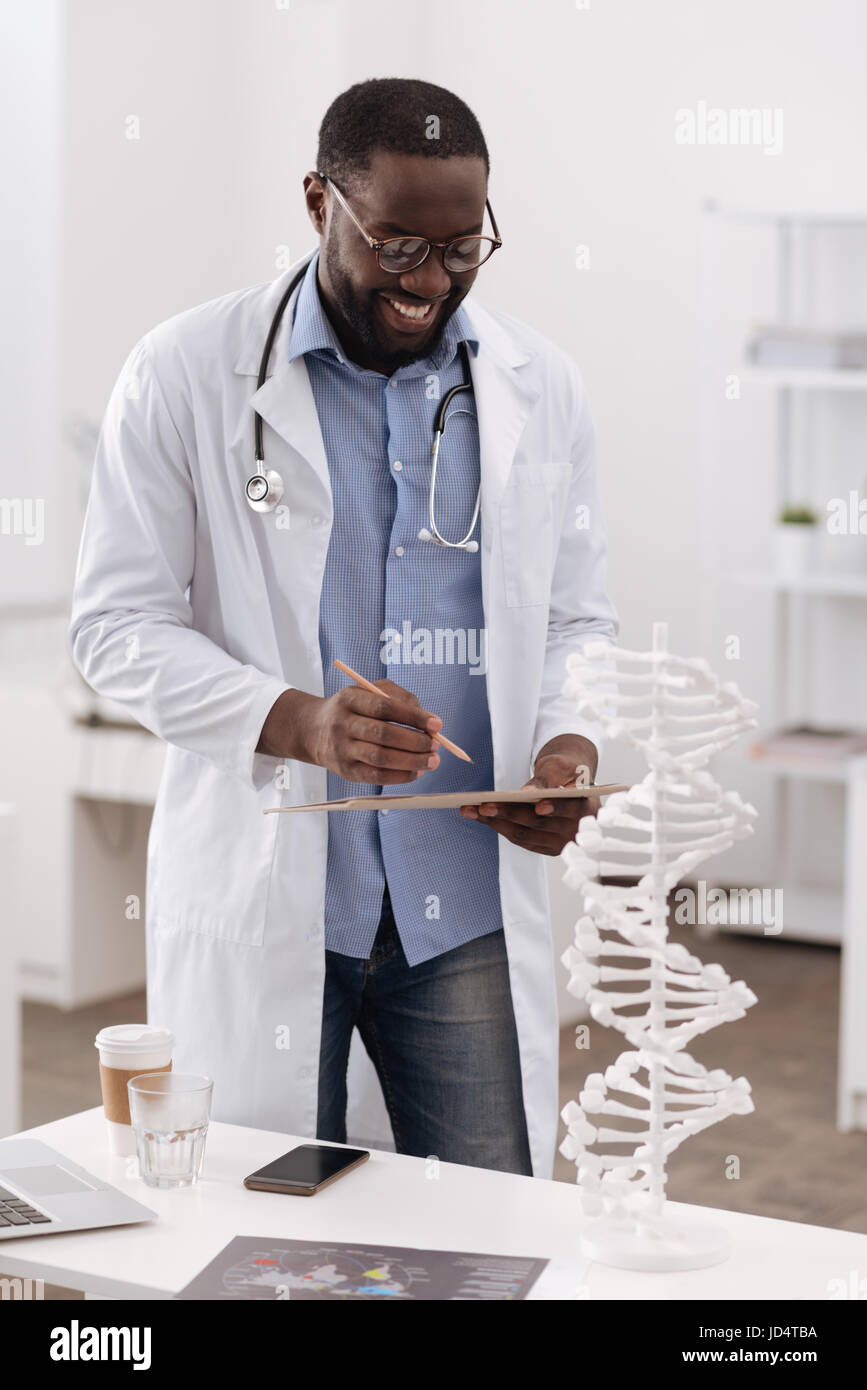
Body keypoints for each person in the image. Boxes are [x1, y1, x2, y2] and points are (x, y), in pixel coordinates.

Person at [70, 77, 618, 1178]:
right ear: (320, 201)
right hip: (277, 895)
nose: (431, 282)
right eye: (400, 245)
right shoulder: (185, 373)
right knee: (263, 1232)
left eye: (464, 247)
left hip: (457, 905)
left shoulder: (538, 386)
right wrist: (296, 721)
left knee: (488, 1229)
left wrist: (570, 745)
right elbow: (116, 625)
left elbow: (576, 618)